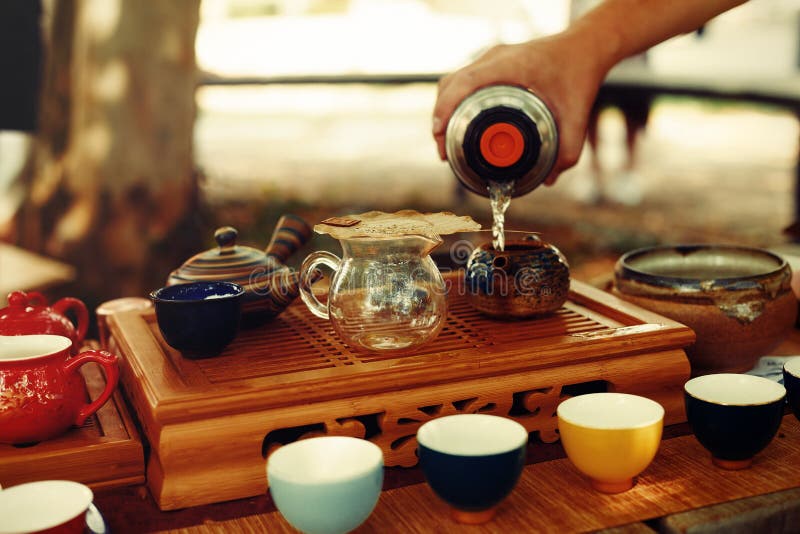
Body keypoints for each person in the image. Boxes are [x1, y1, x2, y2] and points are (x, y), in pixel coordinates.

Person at [432, 0, 749, 187]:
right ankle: (597, 171)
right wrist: (584, 45)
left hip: (628, 56)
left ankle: (627, 170)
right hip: (596, 50)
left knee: (631, 113)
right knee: (590, 114)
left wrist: (585, 44)